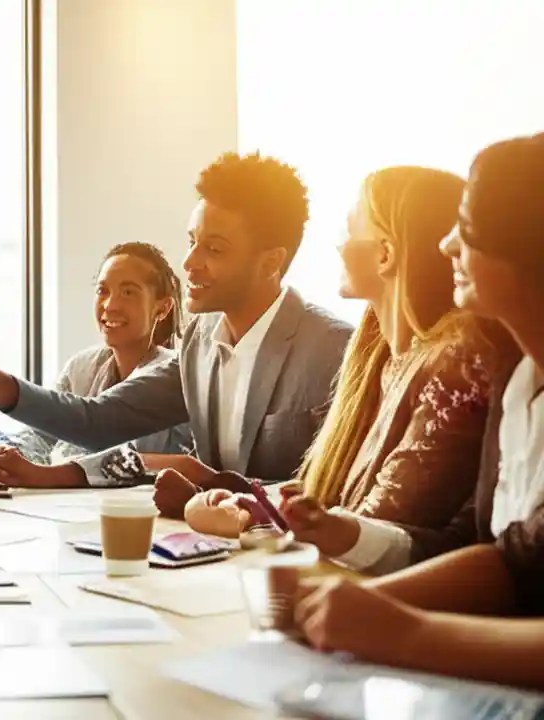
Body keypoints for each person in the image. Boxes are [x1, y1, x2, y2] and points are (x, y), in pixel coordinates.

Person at [0, 152, 352, 493]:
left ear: (271, 262)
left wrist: (218, 486)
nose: (190, 263)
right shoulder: (200, 341)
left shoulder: (333, 350)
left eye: (213, 249)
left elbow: (338, 496)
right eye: (192, 242)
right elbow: (101, 419)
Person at [291, 136, 544, 684]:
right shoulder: (517, 384)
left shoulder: (462, 362)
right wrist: (341, 602)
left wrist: (405, 631)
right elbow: (503, 556)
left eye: (468, 227)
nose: (447, 244)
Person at [179, 167, 502, 577]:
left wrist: (257, 519)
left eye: (349, 232)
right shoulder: (373, 355)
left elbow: (372, 521)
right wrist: (244, 506)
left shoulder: (452, 362)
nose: (338, 246)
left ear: (384, 254)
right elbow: (331, 500)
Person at [0, 242, 192, 489]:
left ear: (162, 307)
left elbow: (159, 460)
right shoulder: (81, 368)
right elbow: (41, 435)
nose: (110, 305)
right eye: (102, 291)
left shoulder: (176, 379)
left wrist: (44, 473)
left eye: (128, 292)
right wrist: (5, 453)